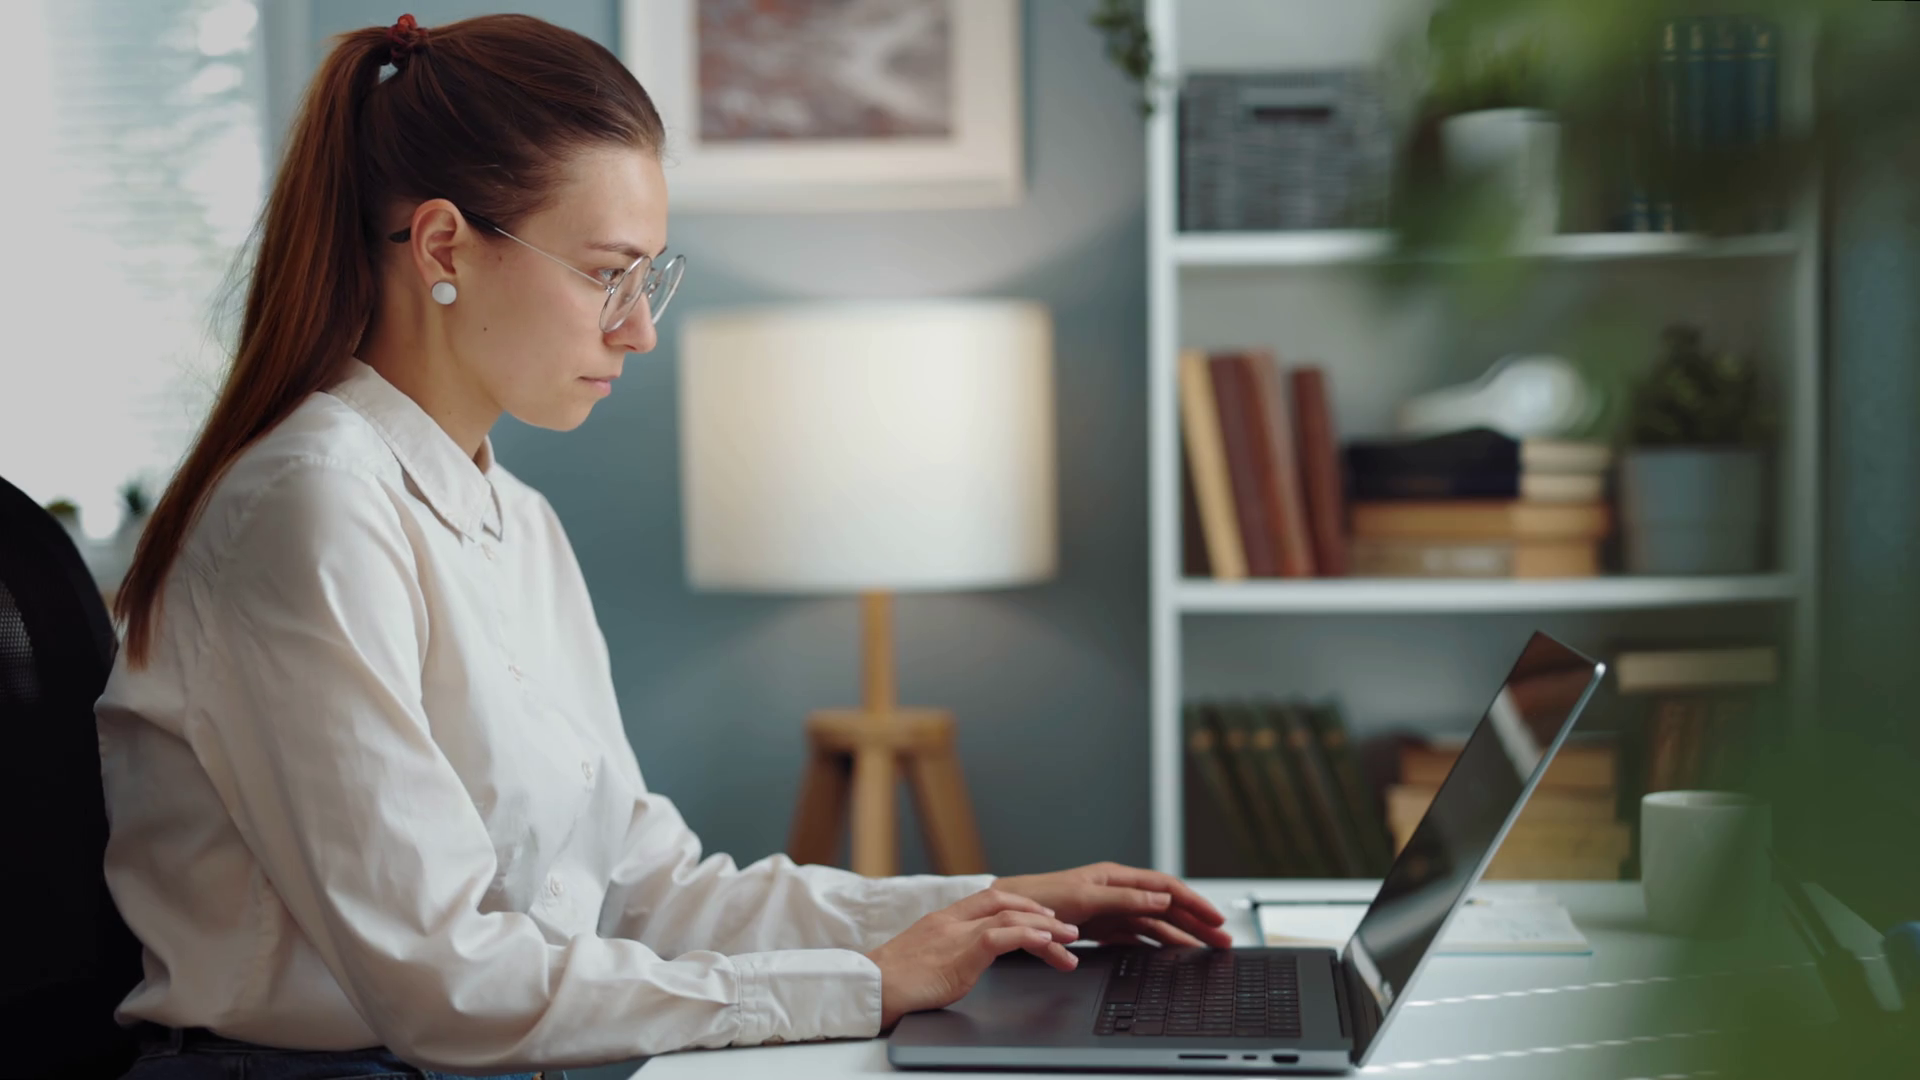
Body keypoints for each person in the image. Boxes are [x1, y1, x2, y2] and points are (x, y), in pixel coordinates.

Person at [97, 14, 1230, 1079]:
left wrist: (992, 906)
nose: (638, 328)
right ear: (443, 243)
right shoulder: (308, 508)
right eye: (606, 273)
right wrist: (862, 984)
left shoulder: (513, 520)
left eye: (651, 276)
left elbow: (647, 891)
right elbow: (439, 982)